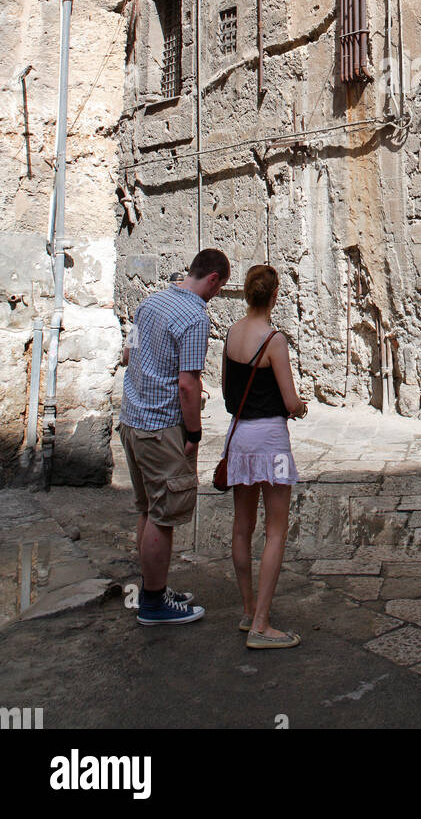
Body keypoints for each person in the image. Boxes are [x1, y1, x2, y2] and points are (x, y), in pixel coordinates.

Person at [119, 249, 230, 625]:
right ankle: (153, 605)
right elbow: (188, 383)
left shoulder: (148, 303)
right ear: (213, 280)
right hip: (161, 427)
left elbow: (127, 353)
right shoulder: (195, 318)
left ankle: (154, 586)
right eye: (219, 289)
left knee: (147, 510)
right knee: (163, 517)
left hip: (131, 421)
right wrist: (194, 434)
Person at [222, 263, 307, 649]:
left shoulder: (232, 333)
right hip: (270, 440)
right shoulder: (274, 340)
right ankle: (261, 625)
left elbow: (227, 394)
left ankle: (246, 610)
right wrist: (301, 406)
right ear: (274, 297)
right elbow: (289, 401)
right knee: (275, 530)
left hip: (239, 439)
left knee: (242, 527)